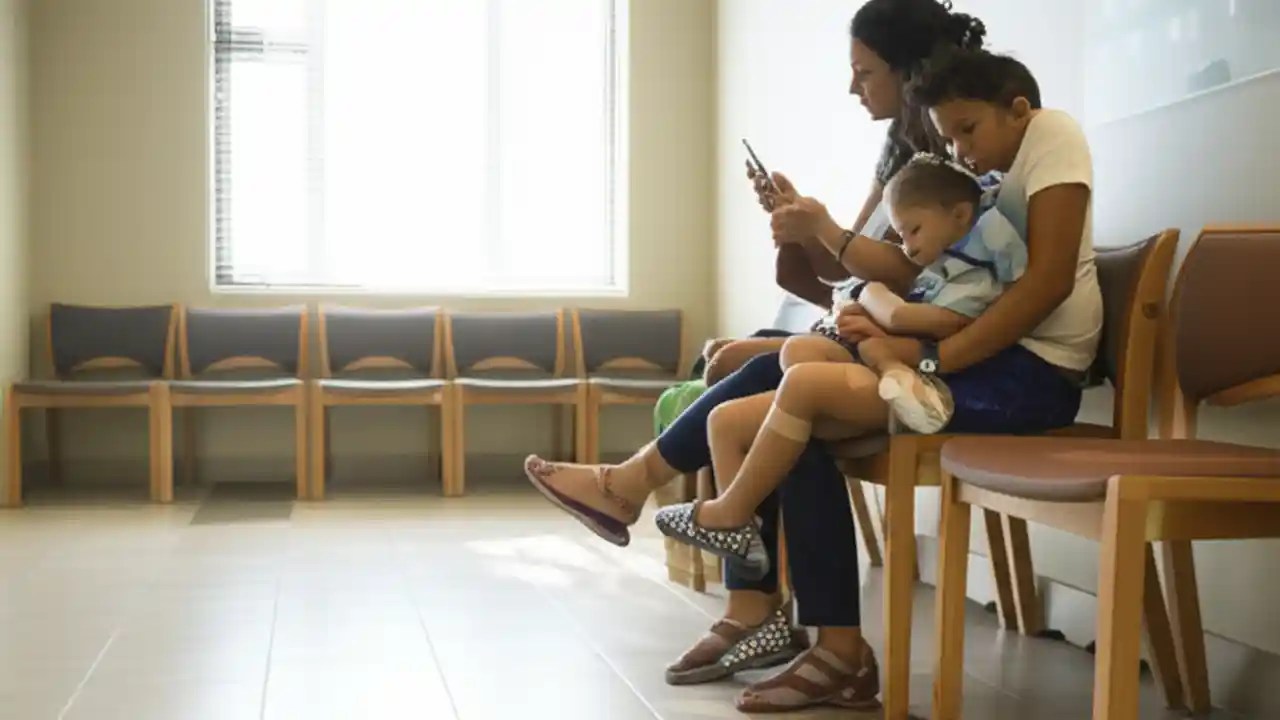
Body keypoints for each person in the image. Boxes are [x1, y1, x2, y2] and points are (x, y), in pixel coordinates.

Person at [526, 1, 1005, 712]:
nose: (853, 88)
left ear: (906, 73)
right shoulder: (897, 158)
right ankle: (753, 604)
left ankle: (669, 520)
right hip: (865, 328)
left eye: (863, 72)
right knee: (745, 373)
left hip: (910, 345)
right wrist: (795, 228)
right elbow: (833, 281)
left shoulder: (951, 164)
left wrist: (830, 230)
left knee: (760, 380)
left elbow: (916, 277)